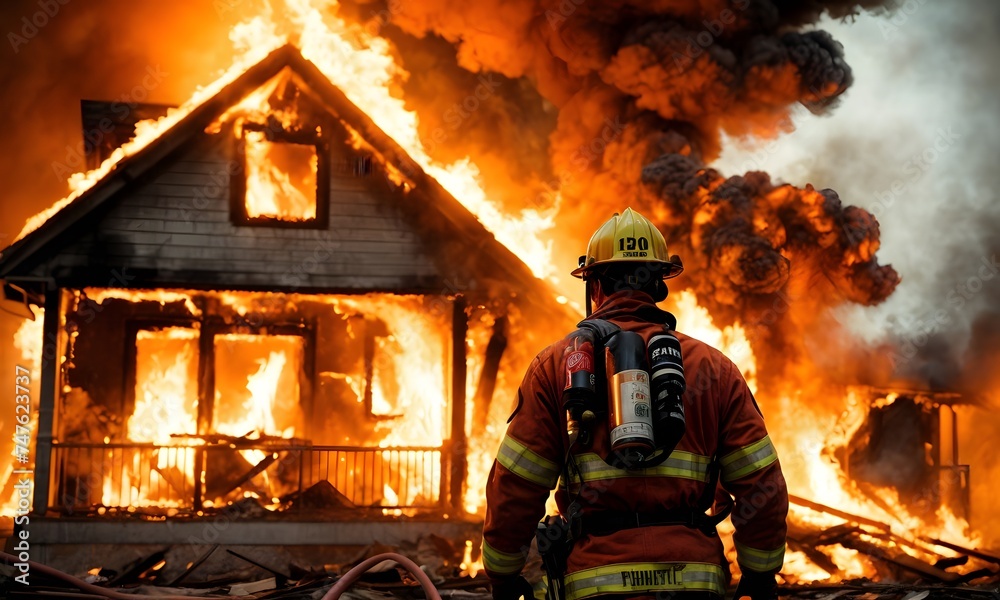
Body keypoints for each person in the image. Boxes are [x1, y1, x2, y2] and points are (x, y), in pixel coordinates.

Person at [482, 208, 788, 600]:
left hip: (593, 583)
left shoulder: (556, 366)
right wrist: (760, 574)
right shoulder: (715, 369)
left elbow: (516, 485)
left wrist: (502, 574)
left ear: (593, 285)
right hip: (693, 583)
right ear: (659, 284)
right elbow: (762, 484)